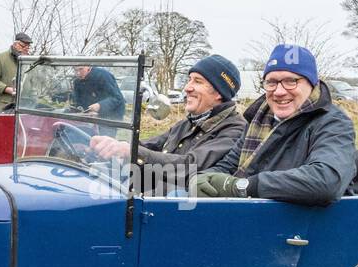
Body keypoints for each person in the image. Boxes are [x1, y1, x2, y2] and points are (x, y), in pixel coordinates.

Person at [190, 44, 356, 206]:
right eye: (271, 82)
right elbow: (229, 165)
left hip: (307, 225)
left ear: (312, 84)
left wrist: (242, 186)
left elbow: (326, 181)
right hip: (255, 216)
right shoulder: (257, 121)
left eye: (291, 81)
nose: (279, 91)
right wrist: (203, 177)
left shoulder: (333, 123)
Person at [88, 55, 247, 194]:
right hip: (147, 196)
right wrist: (110, 146)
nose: (187, 88)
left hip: (177, 210)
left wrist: (133, 152)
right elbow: (152, 145)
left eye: (197, 81)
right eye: (189, 79)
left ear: (219, 92)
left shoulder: (234, 129)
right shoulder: (188, 123)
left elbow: (190, 165)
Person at [0, 32, 32, 109]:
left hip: (24, 108)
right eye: (23, 46)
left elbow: (32, 84)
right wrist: (6, 89)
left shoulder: (29, 62)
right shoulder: (1, 58)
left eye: (28, 47)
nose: (26, 49)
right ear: (15, 44)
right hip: (3, 108)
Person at [72, 65, 125, 134]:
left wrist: (99, 106)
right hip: (89, 118)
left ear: (88, 66)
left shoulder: (103, 75)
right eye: (76, 70)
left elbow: (117, 98)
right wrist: (81, 110)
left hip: (110, 117)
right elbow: (78, 102)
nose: (78, 73)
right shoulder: (77, 82)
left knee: (104, 141)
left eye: (81, 69)